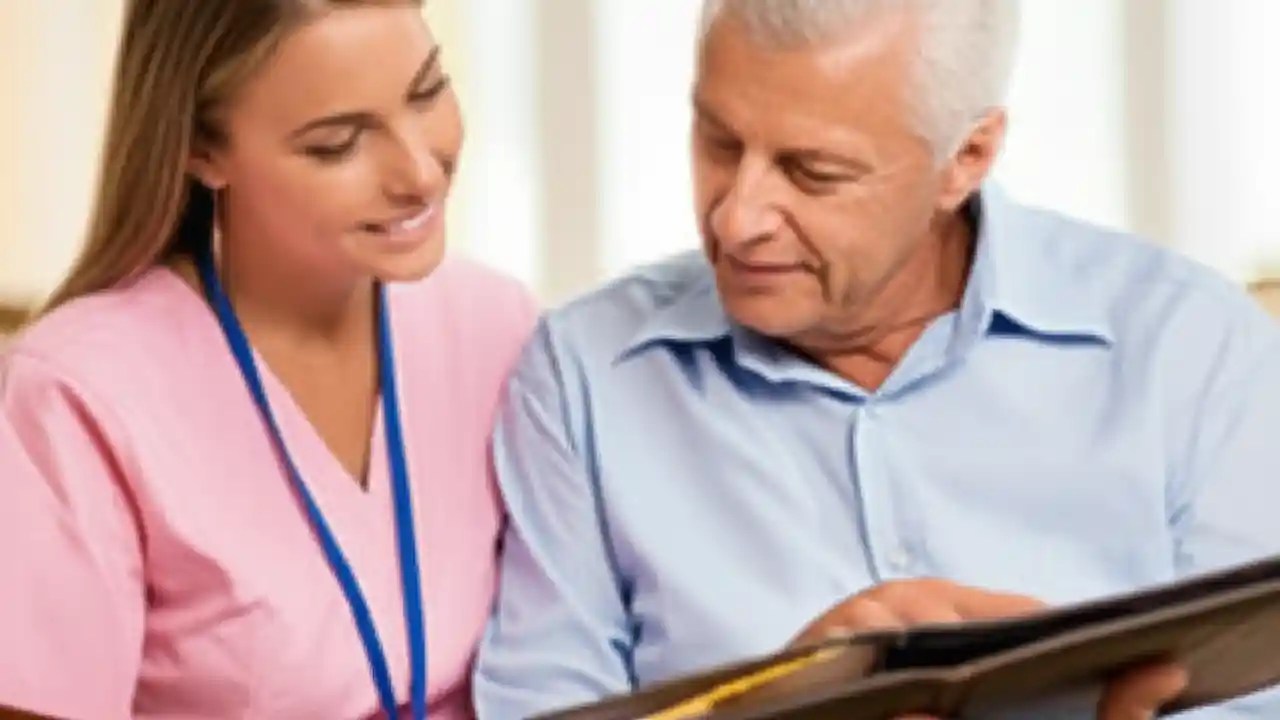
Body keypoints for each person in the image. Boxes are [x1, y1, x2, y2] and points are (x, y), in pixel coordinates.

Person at [474, 0, 1280, 718]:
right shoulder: (584, 375)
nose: (738, 217)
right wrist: (771, 710)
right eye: (718, 141)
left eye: (811, 173)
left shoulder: (1191, 347)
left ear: (966, 159)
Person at [0, 1, 536, 718]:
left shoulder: (497, 326)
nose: (419, 173)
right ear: (201, 149)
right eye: (338, 143)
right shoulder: (77, 396)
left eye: (428, 90)